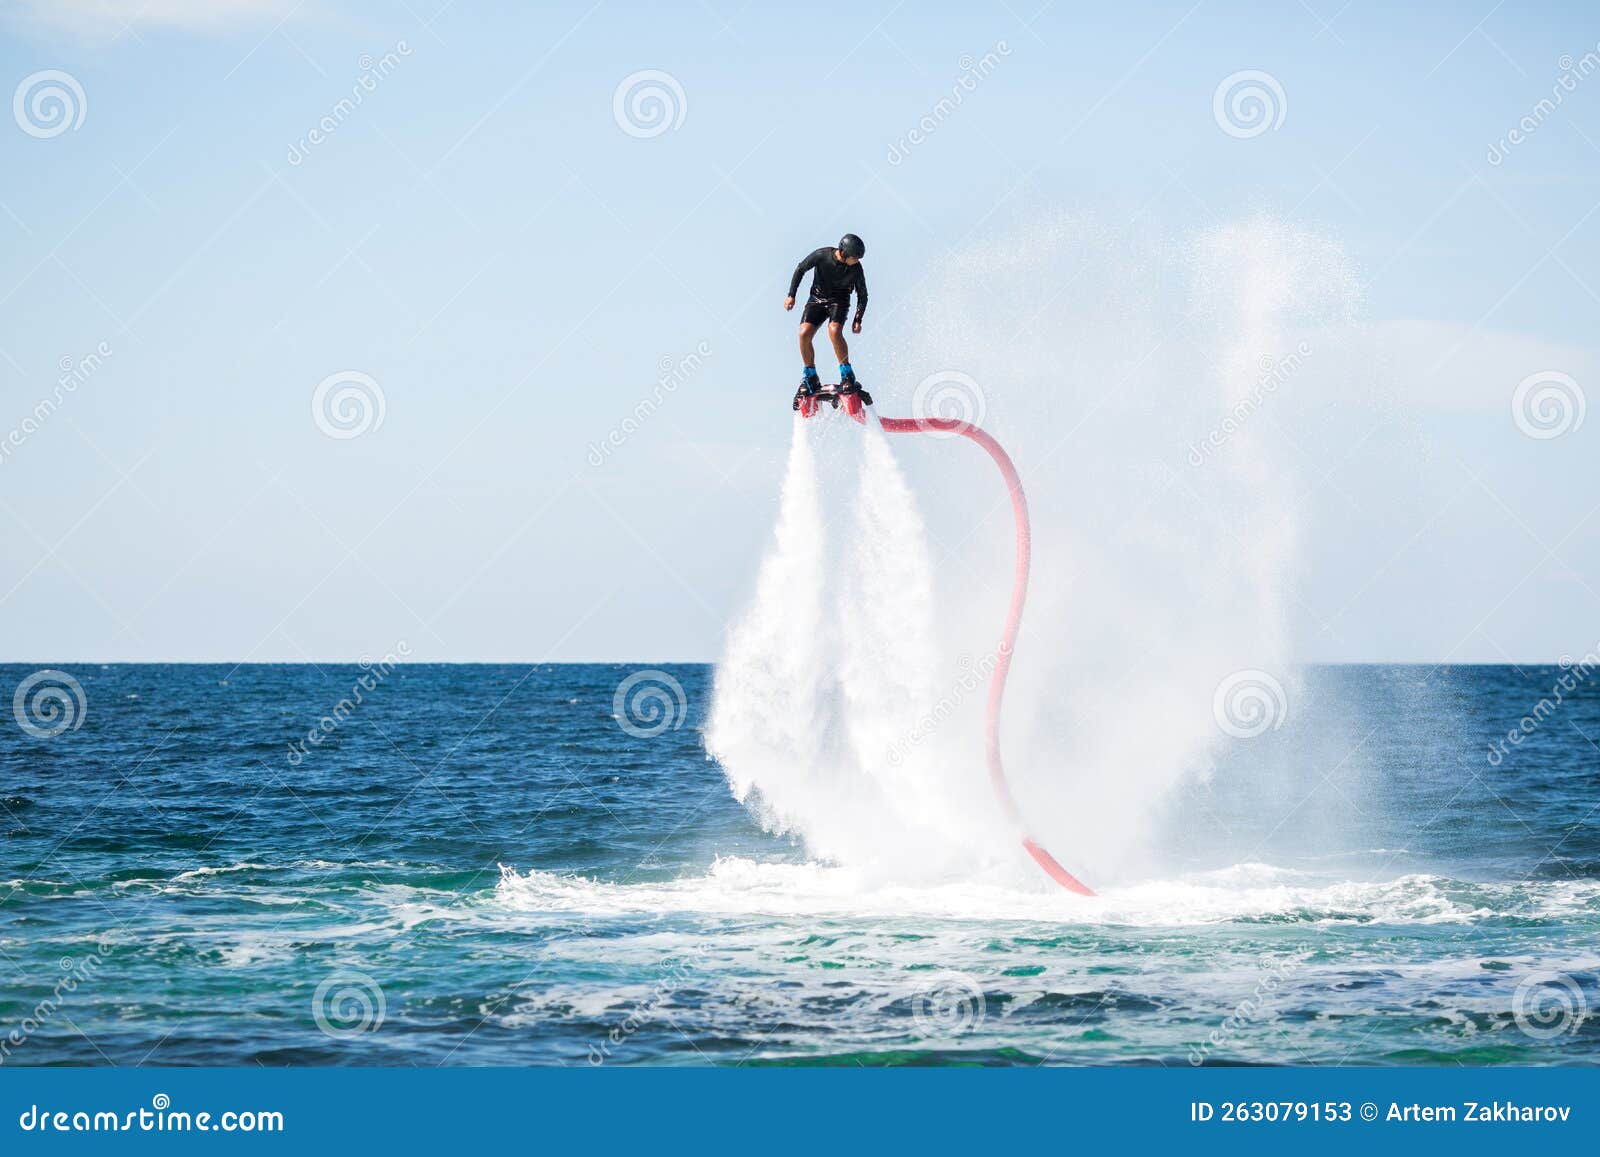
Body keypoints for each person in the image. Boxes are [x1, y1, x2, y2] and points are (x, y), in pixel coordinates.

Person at [784, 234, 867, 397]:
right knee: (803, 334)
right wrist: (791, 295)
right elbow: (801, 269)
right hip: (817, 299)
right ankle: (810, 375)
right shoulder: (822, 255)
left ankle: (847, 374)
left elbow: (863, 295)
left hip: (839, 301)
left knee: (834, 331)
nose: (857, 261)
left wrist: (858, 319)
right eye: (855, 257)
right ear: (844, 253)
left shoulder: (856, 269)